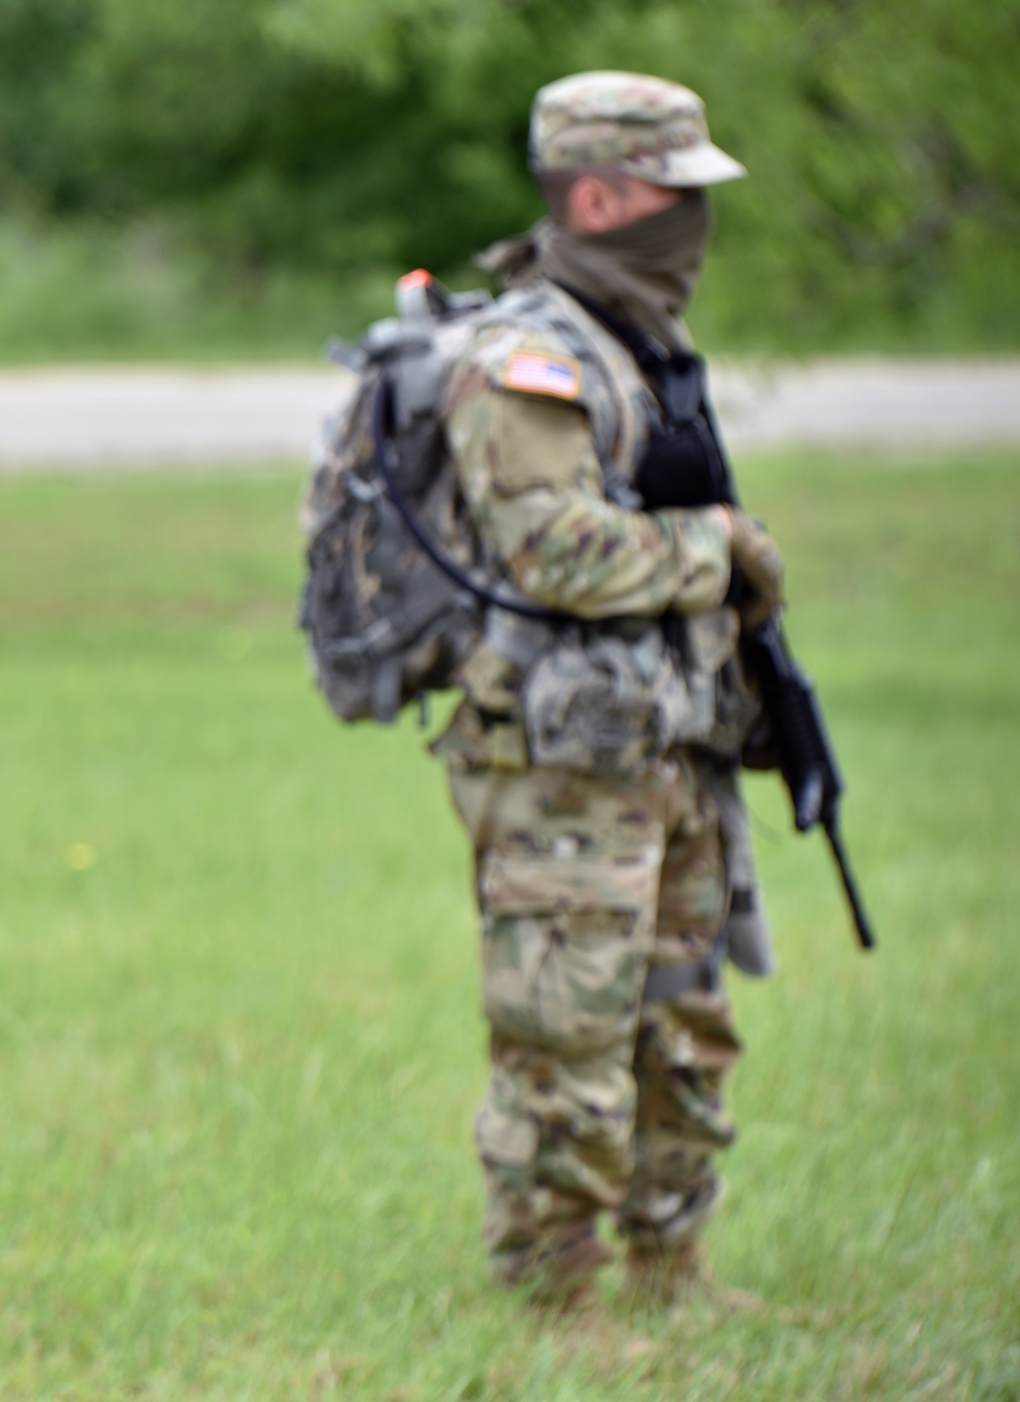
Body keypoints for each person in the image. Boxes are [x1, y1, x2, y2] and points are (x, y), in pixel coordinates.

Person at [429, 72, 785, 1311]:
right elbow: (557, 550)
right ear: (597, 194)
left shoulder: (639, 346)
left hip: (666, 746)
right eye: (670, 195)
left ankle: (672, 1267)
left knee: (684, 1022)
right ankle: (557, 1294)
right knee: (565, 1037)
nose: (692, 222)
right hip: (558, 767)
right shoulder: (523, 356)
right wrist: (723, 551)